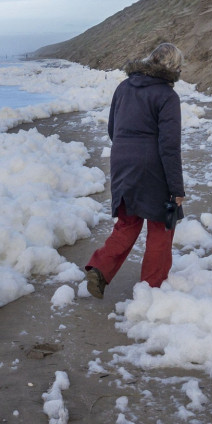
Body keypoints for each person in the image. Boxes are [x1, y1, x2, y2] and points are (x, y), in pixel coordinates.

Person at [85, 42, 186, 298]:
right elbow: (169, 146)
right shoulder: (167, 96)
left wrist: (127, 152)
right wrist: (176, 189)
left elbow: (112, 129)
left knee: (127, 222)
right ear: (173, 68)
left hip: (121, 161)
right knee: (161, 226)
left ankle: (100, 268)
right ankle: (151, 290)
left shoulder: (124, 87)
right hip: (153, 167)